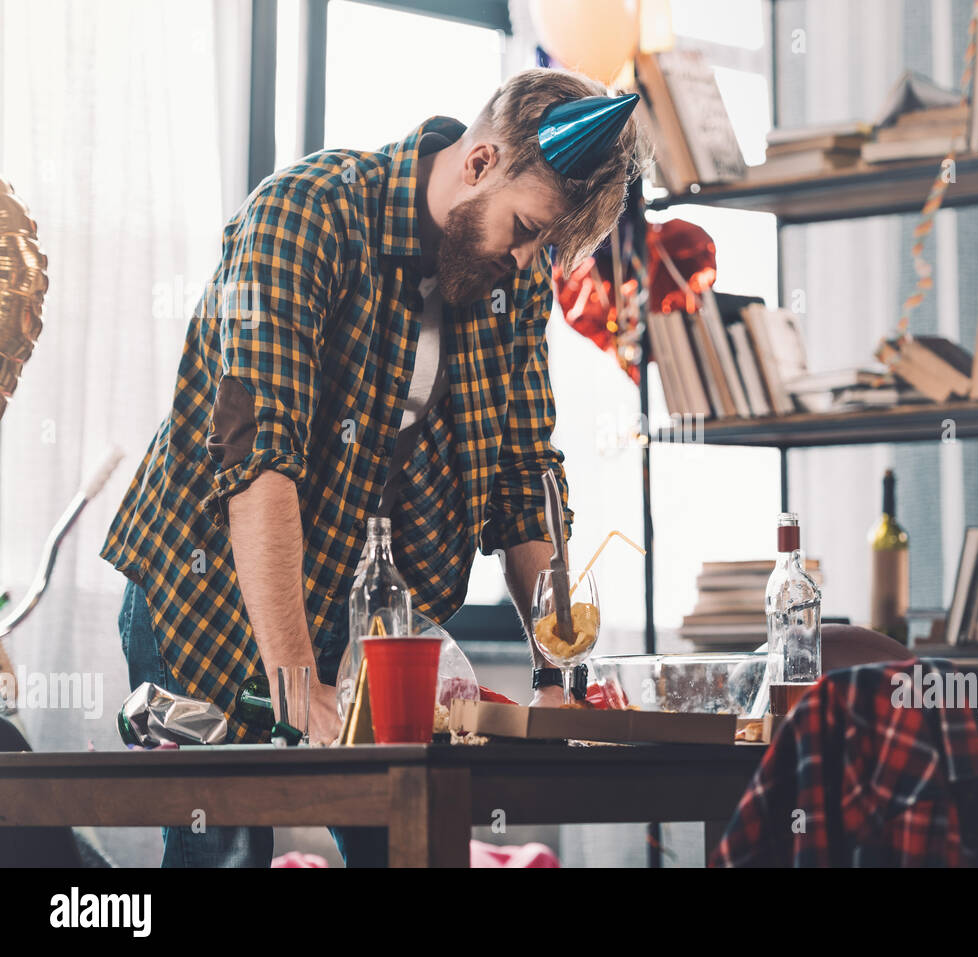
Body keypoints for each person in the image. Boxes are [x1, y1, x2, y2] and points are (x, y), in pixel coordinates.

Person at [101, 68, 650, 866]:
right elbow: (258, 458)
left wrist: (558, 669)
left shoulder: (514, 283)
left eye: (550, 248)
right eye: (527, 230)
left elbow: (526, 480)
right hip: (210, 599)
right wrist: (297, 691)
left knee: (406, 848)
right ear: (480, 162)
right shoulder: (306, 214)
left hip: (367, 628)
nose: (532, 263)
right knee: (222, 852)